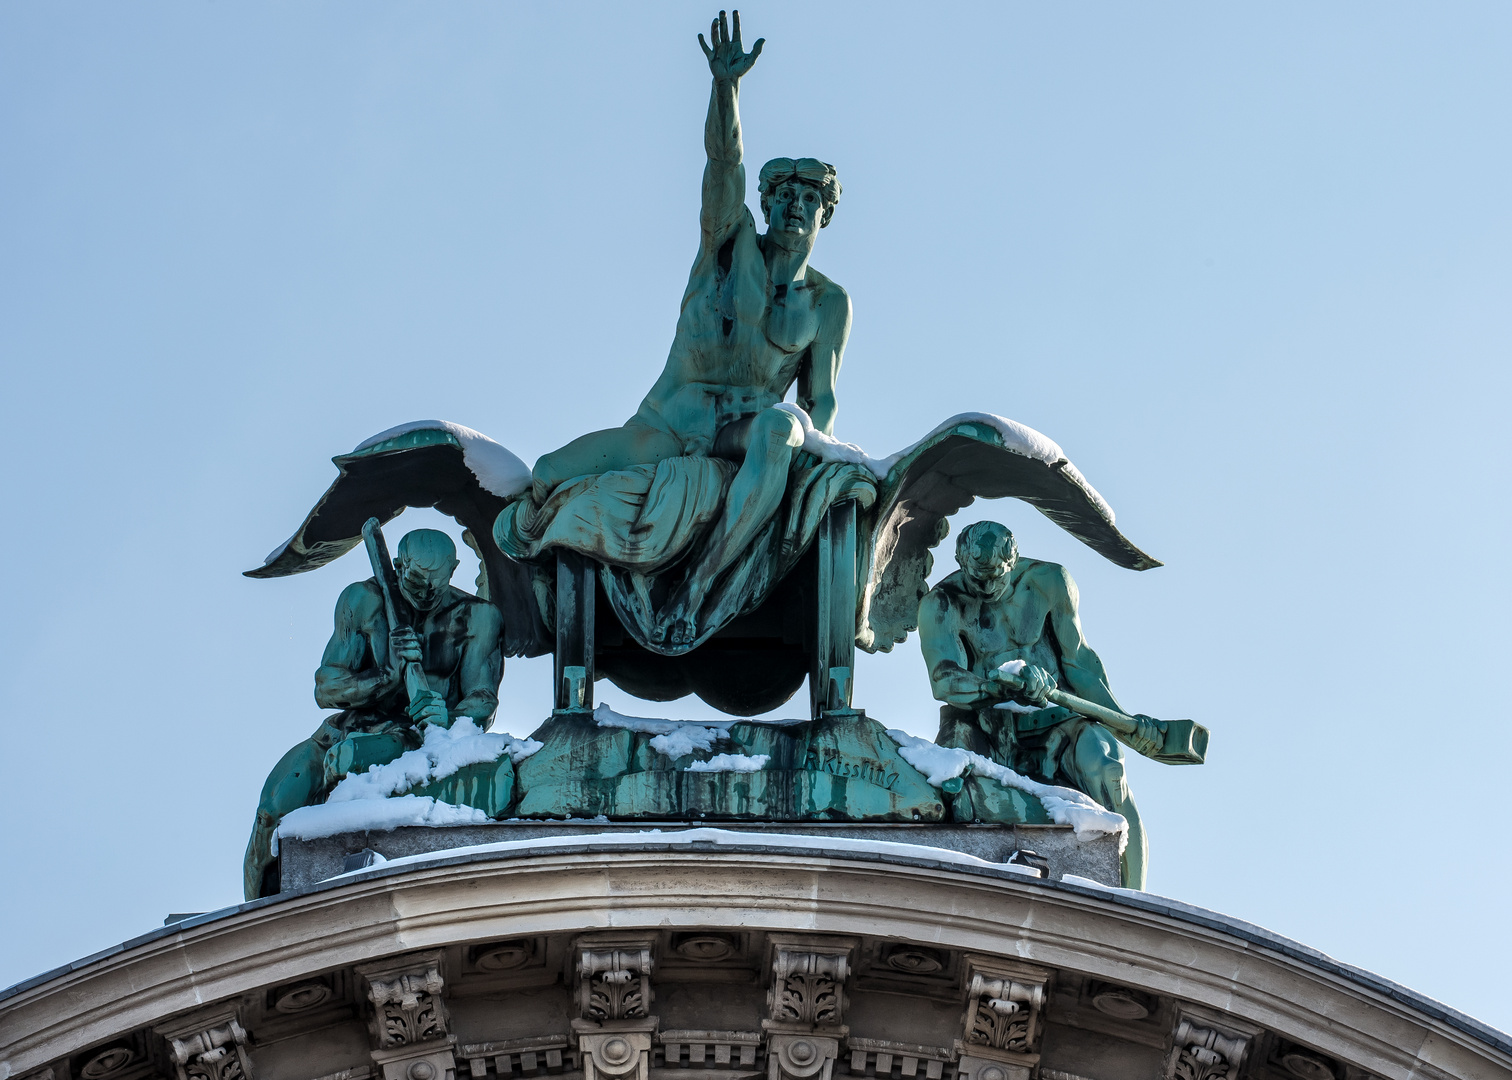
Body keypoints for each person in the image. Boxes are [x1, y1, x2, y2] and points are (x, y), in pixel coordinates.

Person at [528, 10, 852, 646]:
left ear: (825, 214)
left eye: (810, 199)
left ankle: (700, 588)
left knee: (784, 427)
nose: (795, 207)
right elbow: (723, 161)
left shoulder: (828, 302)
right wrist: (725, 88)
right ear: (764, 204)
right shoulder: (726, 244)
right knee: (544, 475)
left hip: (740, 435)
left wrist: (821, 458)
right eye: (784, 196)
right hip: (666, 427)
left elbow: (822, 400)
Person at [242, 529, 503, 899]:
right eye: (416, 581)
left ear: (454, 569)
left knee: (346, 759)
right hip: (345, 727)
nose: (426, 593)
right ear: (398, 566)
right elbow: (326, 688)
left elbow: (482, 699)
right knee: (272, 808)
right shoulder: (363, 600)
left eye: (437, 583)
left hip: (412, 737)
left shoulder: (478, 617)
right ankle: (253, 915)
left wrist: (449, 717)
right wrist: (386, 677)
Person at [916, 521, 1162, 888]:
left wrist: (1121, 720)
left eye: (996, 576)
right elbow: (944, 678)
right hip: (987, 724)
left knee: (1107, 769)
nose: (987, 587)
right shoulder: (942, 603)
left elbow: (1080, 663)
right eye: (977, 578)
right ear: (961, 562)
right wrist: (995, 687)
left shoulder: (1049, 582)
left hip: (1059, 720)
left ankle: (1135, 898)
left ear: (1012, 561)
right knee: (948, 789)